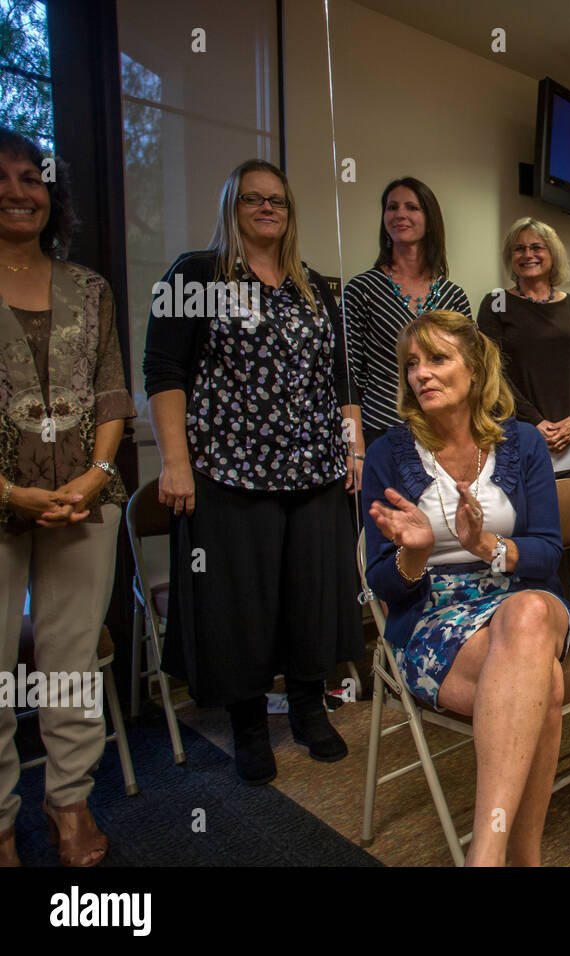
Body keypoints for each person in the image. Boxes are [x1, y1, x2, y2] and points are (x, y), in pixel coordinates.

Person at [143, 159, 363, 785]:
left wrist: (352, 448)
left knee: (310, 597)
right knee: (241, 604)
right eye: (252, 199)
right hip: (228, 472)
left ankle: (308, 708)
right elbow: (164, 371)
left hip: (314, 470)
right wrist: (175, 464)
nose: (267, 208)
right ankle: (248, 726)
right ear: (231, 207)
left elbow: (341, 378)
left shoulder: (314, 286)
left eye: (278, 200)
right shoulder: (197, 275)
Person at [362, 310, 570, 866]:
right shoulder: (386, 454)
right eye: (412, 364)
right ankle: (522, 858)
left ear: (475, 370)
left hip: (522, 593)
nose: (421, 374)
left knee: (527, 615)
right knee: (545, 689)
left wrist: (487, 546)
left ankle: (484, 855)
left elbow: (548, 551)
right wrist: (415, 552)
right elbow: (381, 583)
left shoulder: (522, 443)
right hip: (431, 612)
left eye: (437, 358)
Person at [0, 130, 134, 867]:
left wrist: (94, 475)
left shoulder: (89, 288)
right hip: (1, 501)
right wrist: (10, 492)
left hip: (85, 500)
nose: (17, 191)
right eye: (1, 178)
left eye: (31, 177)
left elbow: (112, 390)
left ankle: (70, 801)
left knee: (72, 662)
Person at [343, 177, 472, 448]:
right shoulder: (362, 289)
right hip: (382, 428)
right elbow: (347, 374)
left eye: (412, 207)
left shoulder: (454, 295)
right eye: (392, 207)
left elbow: (469, 369)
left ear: (430, 219)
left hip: (444, 430)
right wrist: (354, 445)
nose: (400, 214)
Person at [476, 218, 570, 475]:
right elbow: (492, 372)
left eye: (536, 247)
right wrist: (534, 422)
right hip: (517, 432)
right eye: (519, 249)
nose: (528, 254)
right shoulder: (496, 303)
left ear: (553, 254)